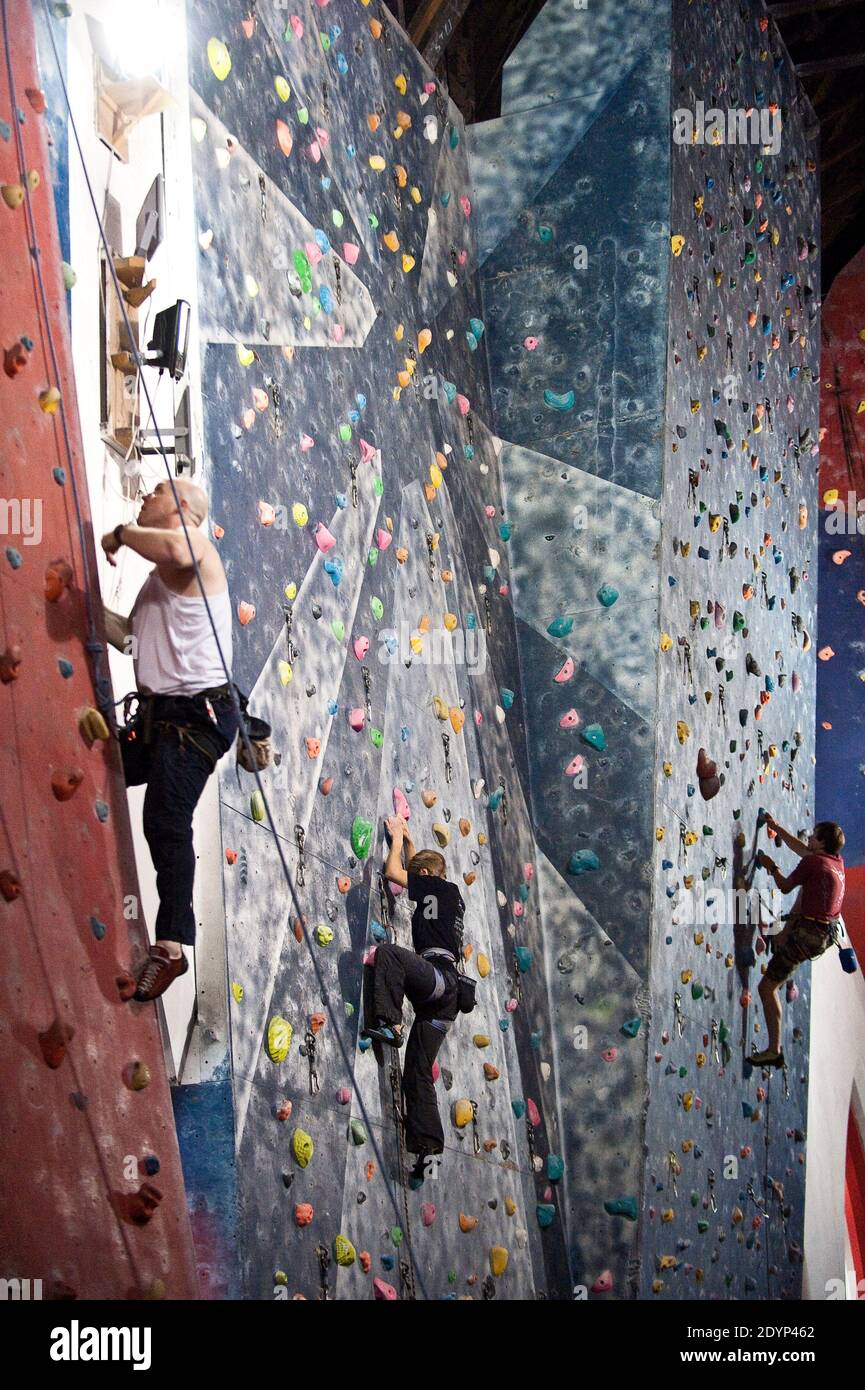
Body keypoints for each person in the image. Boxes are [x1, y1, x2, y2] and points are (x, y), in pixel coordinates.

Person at [101, 478, 238, 1002]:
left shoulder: (198, 550)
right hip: (162, 719)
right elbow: (130, 636)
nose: (145, 494)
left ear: (182, 508)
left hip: (197, 719)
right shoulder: (157, 586)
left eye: (157, 490)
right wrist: (88, 610)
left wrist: (118, 533)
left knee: (164, 818)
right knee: (101, 760)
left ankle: (173, 948)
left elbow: (177, 545)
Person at [363, 815, 464, 1185]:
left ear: (425, 874)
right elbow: (420, 868)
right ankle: (429, 1154)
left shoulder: (434, 888)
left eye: (418, 869)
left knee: (388, 954)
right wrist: (408, 837)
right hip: (445, 1002)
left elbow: (394, 872)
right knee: (418, 1075)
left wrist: (394, 844)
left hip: (437, 981)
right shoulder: (448, 894)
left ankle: (389, 1022)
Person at [751, 816, 846, 1067]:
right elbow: (803, 851)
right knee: (779, 931)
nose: (810, 838)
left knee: (766, 987)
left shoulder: (815, 863)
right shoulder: (835, 862)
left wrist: (771, 866)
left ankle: (774, 1050)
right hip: (821, 933)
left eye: (814, 836)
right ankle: (780, 941)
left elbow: (783, 886)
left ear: (822, 842)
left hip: (808, 934)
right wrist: (776, 827)